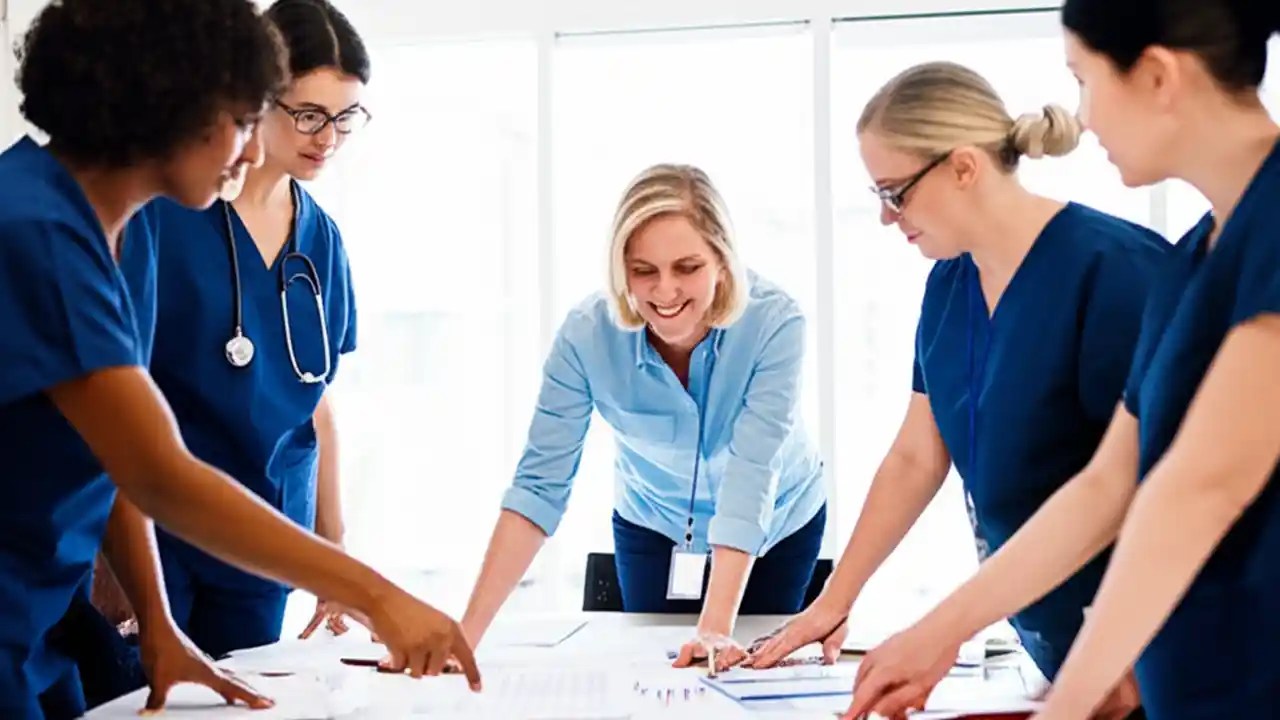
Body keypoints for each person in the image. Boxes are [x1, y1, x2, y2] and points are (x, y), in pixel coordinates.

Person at [0, 2, 478, 717]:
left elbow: (116, 456)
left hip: (44, 622)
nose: (254, 152)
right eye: (244, 120)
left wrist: (161, 629)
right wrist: (377, 595)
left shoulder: (111, 235)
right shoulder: (34, 231)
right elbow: (159, 472)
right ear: (167, 104)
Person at [842, 2, 1280, 719]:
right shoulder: (1195, 259)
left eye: (1084, 80)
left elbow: (1198, 491)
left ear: (1159, 77)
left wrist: (1067, 703)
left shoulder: (1255, 236)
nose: (1083, 118)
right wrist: (940, 632)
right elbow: (1109, 484)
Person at [743, 62, 1166, 718]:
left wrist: (941, 631)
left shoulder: (1114, 274)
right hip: (1053, 639)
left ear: (964, 167)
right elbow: (918, 456)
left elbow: (1133, 491)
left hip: (1152, 649)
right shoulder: (949, 286)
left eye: (896, 193)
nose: (887, 218)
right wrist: (834, 601)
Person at [459, 164, 827, 670]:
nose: (665, 291)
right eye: (644, 270)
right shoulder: (586, 336)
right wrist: (465, 636)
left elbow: (751, 476)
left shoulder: (775, 323)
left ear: (722, 261)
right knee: (659, 674)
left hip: (775, 523)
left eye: (688, 267)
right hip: (653, 518)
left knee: (743, 673)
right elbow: (539, 487)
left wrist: (715, 631)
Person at [145, 0, 371, 660]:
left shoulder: (321, 239)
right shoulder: (167, 214)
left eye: (345, 117)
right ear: (254, 96)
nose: (326, 136)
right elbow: (111, 389)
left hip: (268, 532)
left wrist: (333, 555)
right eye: (308, 113)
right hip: (165, 529)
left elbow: (317, 404)